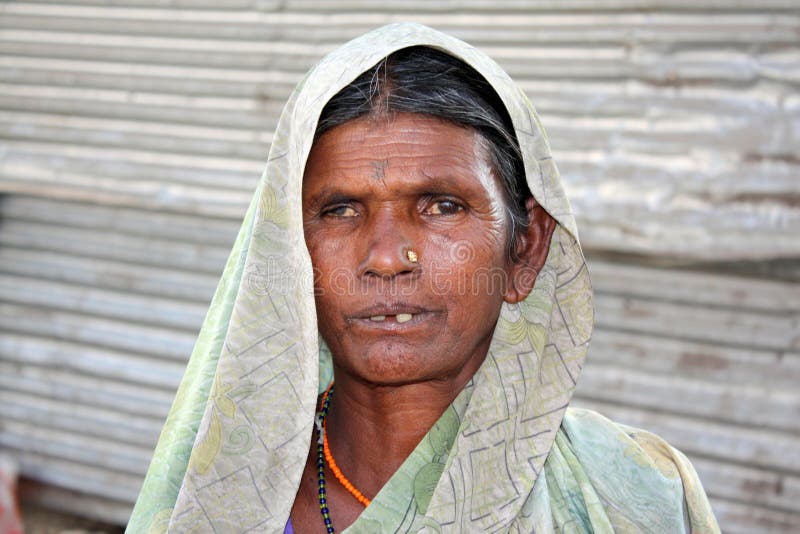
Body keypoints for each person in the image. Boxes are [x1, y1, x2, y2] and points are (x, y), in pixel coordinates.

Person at [127, 23, 719, 533]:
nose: (386, 257)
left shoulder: (638, 496)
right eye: (339, 210)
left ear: (525, 248)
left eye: (441, 206)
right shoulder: (218, 492)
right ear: (285, 259)